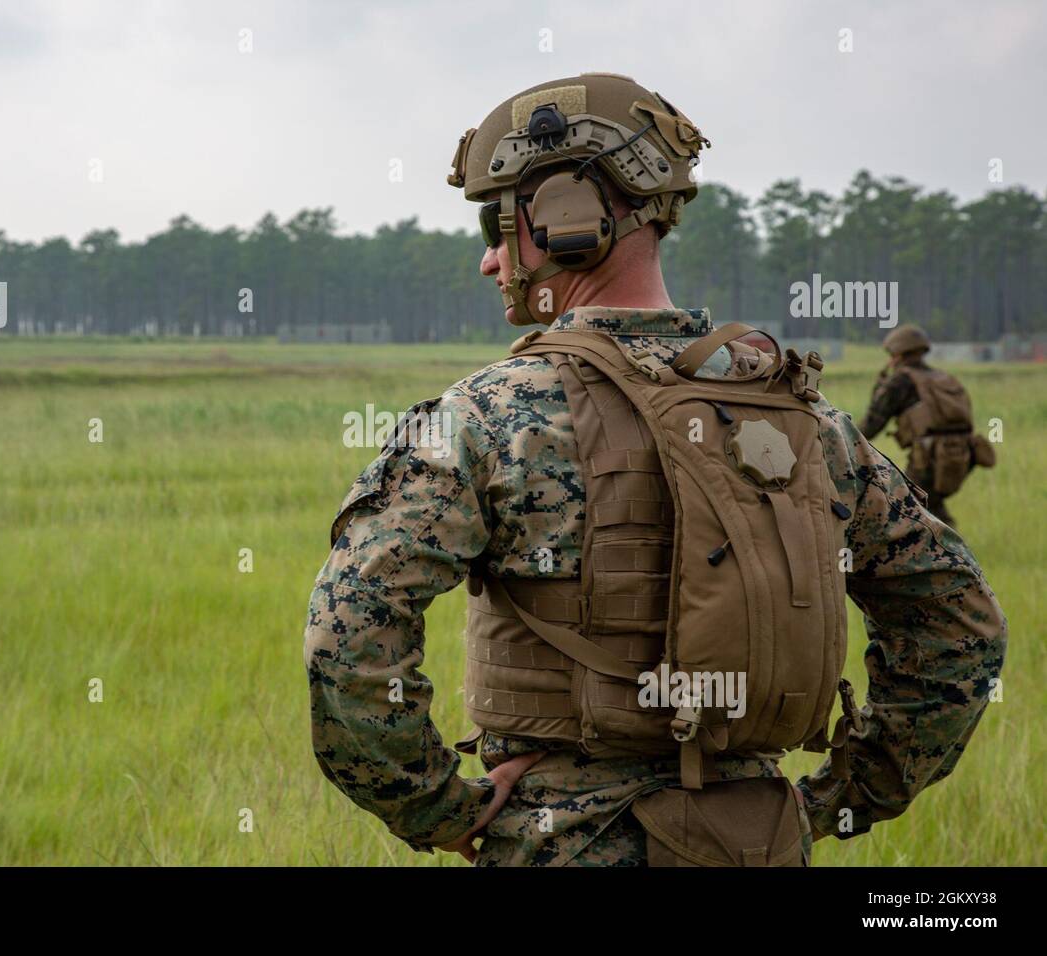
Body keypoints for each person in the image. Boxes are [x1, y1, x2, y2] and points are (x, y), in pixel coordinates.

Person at [303, 74, 1007, 865]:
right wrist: (837, 802)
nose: (489, 259)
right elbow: (960, 623)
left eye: (498, 225)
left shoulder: (488, 417)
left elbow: (348, 631)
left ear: (566, 220)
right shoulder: (807, 421)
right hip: (759, 843)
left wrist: (440, 810)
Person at [860, 324, 994, 527]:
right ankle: (956, 552)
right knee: (931, 506)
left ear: (898, 353)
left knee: (906, 510)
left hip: (929, 457)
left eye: (891, 354)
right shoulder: (942, 378)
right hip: (962, 456)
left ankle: (947, 555)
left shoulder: (900, 381)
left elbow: (871, 425)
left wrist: (842, 440)